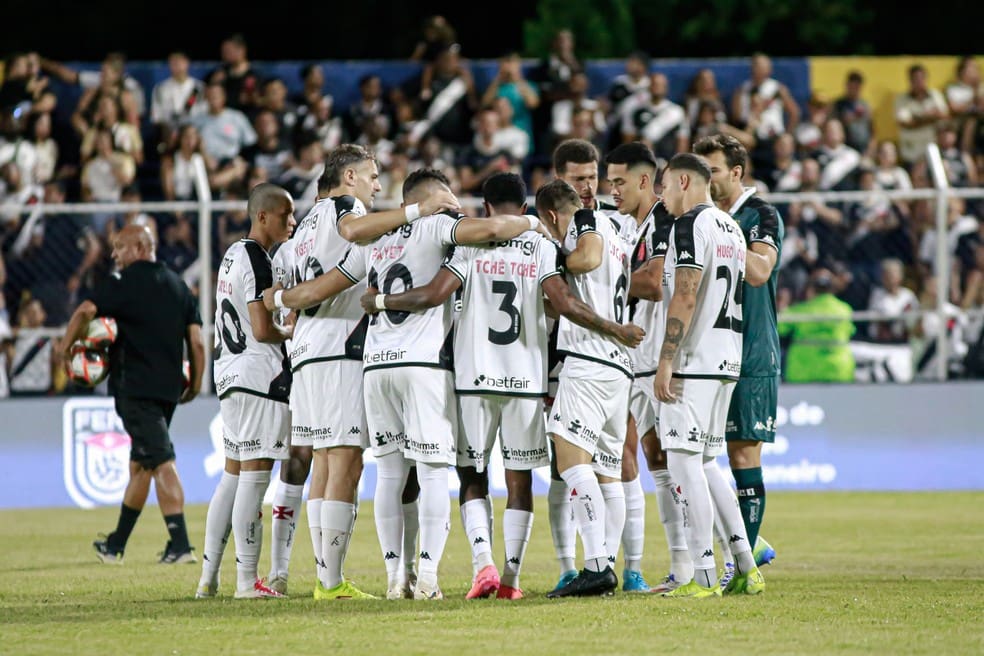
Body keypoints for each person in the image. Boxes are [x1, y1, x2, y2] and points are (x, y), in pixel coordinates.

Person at [359, 172, 643, 600]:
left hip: (473, 378)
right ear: (526, 209)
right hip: (526, 380)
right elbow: (562, 302)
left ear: (486, 208)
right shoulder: (544, 246)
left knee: (471, 475)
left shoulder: (467, 244)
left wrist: (379, 301)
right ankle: (511, 579)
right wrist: (613, 328)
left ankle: (483, 566)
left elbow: (438, 291)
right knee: (519, 480)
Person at [265, 168, 538, 600]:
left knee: (390, 473)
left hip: (376, 366)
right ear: (431, 198)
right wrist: (532, 221)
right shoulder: (438, 224)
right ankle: (427, 579)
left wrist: (279, 298)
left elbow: (325, 285)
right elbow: (491, 227)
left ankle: (396, 580)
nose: (454, 204)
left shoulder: (373, 239)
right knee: (432, 473)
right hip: (422, 364)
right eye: (448, 197)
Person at [266, 144, 460, 600]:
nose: (377, 186)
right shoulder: (346, 208)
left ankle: (325, 578)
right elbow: (353, 236)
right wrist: (417, 209)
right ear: (348, 177)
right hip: (338, 349)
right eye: (372, 177)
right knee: (346, 461)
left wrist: (284, 301)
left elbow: (295, 282)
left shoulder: (308, 222)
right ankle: (330, 582)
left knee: (324, 463)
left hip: (307, 350)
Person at [59, 224, 205, 565]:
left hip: (134, 389)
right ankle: (115, 545)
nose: (113, 255)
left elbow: (84, 312)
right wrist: (195, 384)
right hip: (169, 390)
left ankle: (181, 544)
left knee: (161, 461)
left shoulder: (120, 284)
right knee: (142, 464)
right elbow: (196, 342)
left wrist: (66, 349)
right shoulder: (178, 284)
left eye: (119, 247)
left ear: (140, 246)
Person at [653, 153, 764, 597]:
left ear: (684, 180)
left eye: (664, 187)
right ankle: (745, 565)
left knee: (682, 461)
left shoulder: (689, 226)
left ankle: (700, 574)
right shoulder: (730, 227)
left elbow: (685, 292)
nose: (662, 197)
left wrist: (666, 360)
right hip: (726, 360)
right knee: (708, 461)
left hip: (694, 362)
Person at [533, 179, 633, 599]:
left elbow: (587, 260)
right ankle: (606, 562)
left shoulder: (587, 221)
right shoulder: (618, 229)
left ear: (552, 216)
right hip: (617, 366)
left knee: (571, 459)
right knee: (608, 474)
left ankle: (594, 565)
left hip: (590, 358)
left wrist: (554, 256)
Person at [195, 184, 295, 600]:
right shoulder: (257, 258)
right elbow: (260, 328)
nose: (292, 222)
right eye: (286, 215)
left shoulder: (232, 254)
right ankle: (246, 582)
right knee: (255, 478)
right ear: (263, 217)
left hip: (230, 374)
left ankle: (208, 578)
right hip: (258, 377)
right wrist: (291, 330)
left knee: (232, 477)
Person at [694, 133, 784, 584]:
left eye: (712, 171)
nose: (706, 180)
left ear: (736, 172)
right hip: (708, 351)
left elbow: (760, 271)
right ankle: (750, 543)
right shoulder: (701, 217)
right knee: (699, 455)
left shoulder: (760, 215)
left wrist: (722, 232)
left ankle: (741, 563)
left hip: (751, 351)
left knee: (742, 453)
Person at [604, 142, 680, 593]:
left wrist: (599, 279)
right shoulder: (632, 227)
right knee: (658, 461)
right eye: (610, 181)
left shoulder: (663, 221)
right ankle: (682, 564)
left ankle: (732, 547)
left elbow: (652, 284)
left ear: (644, 180)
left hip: (659, 361)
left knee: (681, 462)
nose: (612, 190)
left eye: (619, 181)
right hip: (639, 358)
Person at [778, 269, 856, 382]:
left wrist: (782, 306)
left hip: (803, 371)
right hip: (838, 371)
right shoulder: (844, 309)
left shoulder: (800, 311)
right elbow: (850, 331)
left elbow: (780, 329)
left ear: (810, 290)